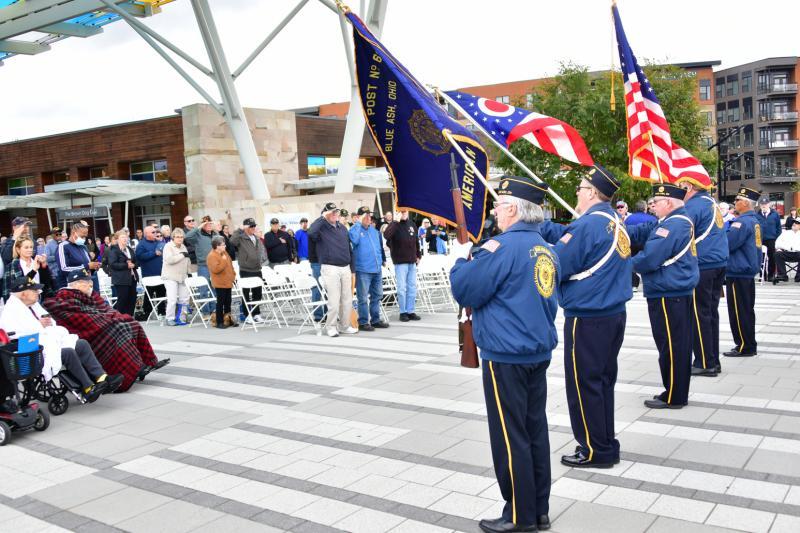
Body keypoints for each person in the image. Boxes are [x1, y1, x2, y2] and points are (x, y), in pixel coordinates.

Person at [449, 176, 558, 533]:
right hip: (536, 349)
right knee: (534, 430)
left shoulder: (502, 247)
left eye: (498, 205)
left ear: (512, 209)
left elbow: (467, 289)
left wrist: (458, 262)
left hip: (507, 354)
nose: (494, 211)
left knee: (510, 436)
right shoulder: (546, 247)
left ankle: (519, 515)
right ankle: (538, 508)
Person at [539, 166, 631, 468]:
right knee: (602, 383)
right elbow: (570, 239)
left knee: (584, 385)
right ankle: (606, 444)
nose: (576, 193)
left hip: (588, 317)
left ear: (591, 192)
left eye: (580, 188)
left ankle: (593, 449)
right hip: (612, 313)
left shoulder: (589, 225)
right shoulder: (612, 219)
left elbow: (558, 264)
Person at [628, 183, 699, 410]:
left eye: (655, 202)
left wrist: (623, 264)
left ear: (668, 203)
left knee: (672, 345)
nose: (652, 207)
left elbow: (650, 259)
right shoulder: (676, 221)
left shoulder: (672, 225)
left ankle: (674, 396)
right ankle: (675, 390)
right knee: (677, 344)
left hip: (668, 293)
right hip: (674, 290)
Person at [44, 269, 169, 391]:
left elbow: (105, 309)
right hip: (85, 331)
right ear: (76, 284)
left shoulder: (90, 294)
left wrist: (115, 317)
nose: (90, 284)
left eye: (89, 281)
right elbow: (83, 317)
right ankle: (133, 369)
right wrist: (110, 319)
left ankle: (147, 362)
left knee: (132, 323)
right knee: (118, 329)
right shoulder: (65, 297)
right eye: (86, 282)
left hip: (100, 323)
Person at [0, 277, 123, 402]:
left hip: (47, 340)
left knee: (81, 344)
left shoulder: (33, 305)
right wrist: (39, 324)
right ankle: (87, 387)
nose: (38, 293)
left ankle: (102, 377)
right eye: (34, 290)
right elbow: (17, 335)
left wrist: (47, 324)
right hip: (30, 350)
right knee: (68, 352)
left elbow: (51, 322)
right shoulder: (11, 310)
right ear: (23, 293)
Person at [679, 179, 729, 377]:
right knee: (710, 313)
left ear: (689, 187)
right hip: (717, 262)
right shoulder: (710, 203)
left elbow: (682, 231)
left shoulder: (692, 206)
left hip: (703, 264)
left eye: (680, 185)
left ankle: (704, 361)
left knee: (699, 314)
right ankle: (713, 359)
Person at [308, 202, 358, 338]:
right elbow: (311, 233)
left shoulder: (342, 228)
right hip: (330, 267)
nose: (336, 214)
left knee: (347, 300)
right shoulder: (321, 227)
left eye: (337, 212)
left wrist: (352, 268)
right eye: (332, 212)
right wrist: (322, 218)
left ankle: (345, 325)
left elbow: (349, 249)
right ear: (326, 214)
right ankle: (331, 327)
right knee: (334, 301)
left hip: (345, 267)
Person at [724, 187, 763, 358]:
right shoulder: (753, 220)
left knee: (739, 311)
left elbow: (728, 243)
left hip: (738, 271)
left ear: (745, 203)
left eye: (738, 200)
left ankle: (744, 346)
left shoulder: (741, 222)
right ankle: (748, 343)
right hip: (746, 270)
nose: (735, 203)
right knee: (746, 310)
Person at [349, 206, 388, 331]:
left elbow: (379, 247)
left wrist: (382, 260)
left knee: (377, 295)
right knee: (363, 297)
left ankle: (375, 320)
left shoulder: (374, 231)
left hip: (376, 268)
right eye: (365, 216)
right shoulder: (355, 230)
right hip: (363, 270)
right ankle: (363, 322)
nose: (368, 218)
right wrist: (358, 223)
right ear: (359, 217)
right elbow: (353, 240)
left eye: (369, 216)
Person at [384, 209, 421, 322]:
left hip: (412, 261)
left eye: (405, 212)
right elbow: (387, 236)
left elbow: (416, 241)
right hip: (400, 261)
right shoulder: (394, 224)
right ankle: (403, 312)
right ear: (398, 213)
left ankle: (410, 311)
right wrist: (395, 221)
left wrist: (418, 254)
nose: (404, 213)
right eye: (402, 212)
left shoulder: (412, 224)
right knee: (401, 288)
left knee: (412, 287)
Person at [230, 218, 267, 325]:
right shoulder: (241, 237)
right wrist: (239, 230)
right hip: (245, 269)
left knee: (257, 293)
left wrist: (261, 261)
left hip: (257, 268)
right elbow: (232, 241)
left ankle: (256, 313)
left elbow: (261, 250)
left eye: (254, 226)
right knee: (246, 293)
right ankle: (247, 315)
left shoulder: (256, 237)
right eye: (251, 226)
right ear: (246, 227)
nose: (253, 228)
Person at [2, 237, 54, 301]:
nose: (30, 250)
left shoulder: (37, 260)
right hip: (24, 301)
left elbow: (45, 283)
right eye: (26, 247)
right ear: (18, 249)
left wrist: (44, 266)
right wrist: (34, 271)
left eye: (31, 247)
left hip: (40, 298)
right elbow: (21, 285)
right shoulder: (14, 265)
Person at [185, 215, 218, 316]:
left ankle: (214, 310)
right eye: (205, 223)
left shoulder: (215, 235)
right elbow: (187, 237)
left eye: (209, 222)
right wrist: (199, 227)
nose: (208, 224)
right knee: (203, 289)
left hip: (215, 266)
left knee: (214, 289)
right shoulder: (198, 235)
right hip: (203, 266)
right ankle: (205, 312)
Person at [625, 199, 657, 292]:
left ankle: (634, 284)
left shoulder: (629, 218)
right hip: (645, 244)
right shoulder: (652, 219)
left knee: (631, 262)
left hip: (632, 244)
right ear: (645, 208)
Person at [161, 227, 191, 326]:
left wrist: (189, 272)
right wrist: (182, 255)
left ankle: (182, 318)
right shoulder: (168, 246)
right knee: (172, 298)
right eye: (177, 237)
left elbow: (187, 261)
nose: (180, 239)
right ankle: (170, 318)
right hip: (170, 276)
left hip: (182, 276)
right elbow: (170, 260)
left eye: (181, 237)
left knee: (184, 298)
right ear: (173, 237)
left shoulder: (183, 247)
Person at [105, 231, 139, 317]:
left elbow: (136, 261)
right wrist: (126, 265)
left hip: (132, 278)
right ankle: (119, 318)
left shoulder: (129, 249)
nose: (125, 239)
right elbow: (112, 264)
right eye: (123, 237)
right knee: (123, 299)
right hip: (121, 279)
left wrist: (134, 265)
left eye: (126, 237)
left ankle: (129, 317)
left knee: (132, 299)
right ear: (117, 239)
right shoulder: (113, 250)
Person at [57, 222, 100, 289]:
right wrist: (87, 267)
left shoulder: (83, 247)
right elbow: (63, 268)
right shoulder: (63, 246)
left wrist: (94, 267)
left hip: (86, 284)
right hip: (72, 286)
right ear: (74, 233)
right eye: (82, 236)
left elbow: (88, 265)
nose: (84, 239)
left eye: (85, 237)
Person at [135, 226, 166, 319]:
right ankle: (147, 312)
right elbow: (140, 256)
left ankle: (162, 312)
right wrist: (154, 253)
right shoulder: (141, 244)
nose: (155, 233)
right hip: (149, 275)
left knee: (161, 292)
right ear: (146, 234)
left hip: (160, 273)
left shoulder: (159, 242)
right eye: (153, 232)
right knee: (149, 294)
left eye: (156, 232)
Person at [207, 235, 236, 329]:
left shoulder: (224, 253)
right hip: (220, 283)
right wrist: (223, 261)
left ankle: (228, 320)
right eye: (223, 245)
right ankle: (219, 322)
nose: (225, 246)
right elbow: (216, 269)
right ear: (217, 246)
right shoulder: (212, 256)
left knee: (228, 302)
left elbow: (230, 265)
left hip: (228, 281)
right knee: (220, 302)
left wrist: (233, 275)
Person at [755, 198, 782, 281]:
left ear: (769, 204)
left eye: (765, 204)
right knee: (760, 258)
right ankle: (762, 275)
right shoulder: (756, 214)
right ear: (760, 205)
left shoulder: (775, 214)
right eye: (762, 204)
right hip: (760, 239)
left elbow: (779, 228)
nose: (764, 205)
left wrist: (775, 237)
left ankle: (771, 275)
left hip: (771, 239)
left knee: (772, 257)